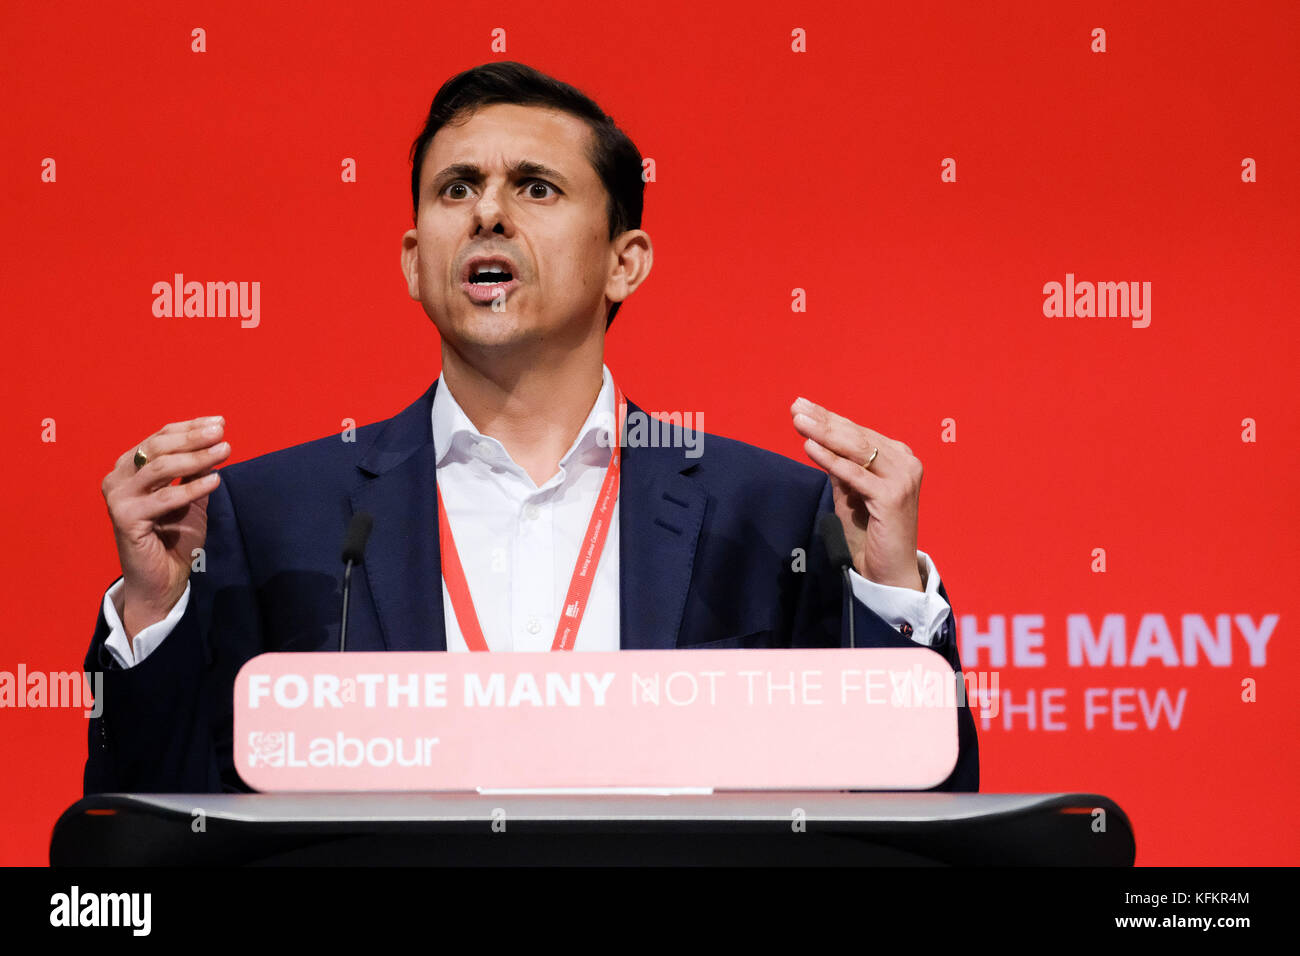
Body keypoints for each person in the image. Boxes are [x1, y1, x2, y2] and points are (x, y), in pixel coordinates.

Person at [87, 61, 978, 794]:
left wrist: (892, 589)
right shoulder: (279, 512)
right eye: (457, 187)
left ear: (624, 262)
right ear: (413, 260)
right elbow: (149, 823)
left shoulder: (770, 516)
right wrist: (154, 611)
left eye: (536, 187)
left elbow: (917, 818)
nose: (488, 212)